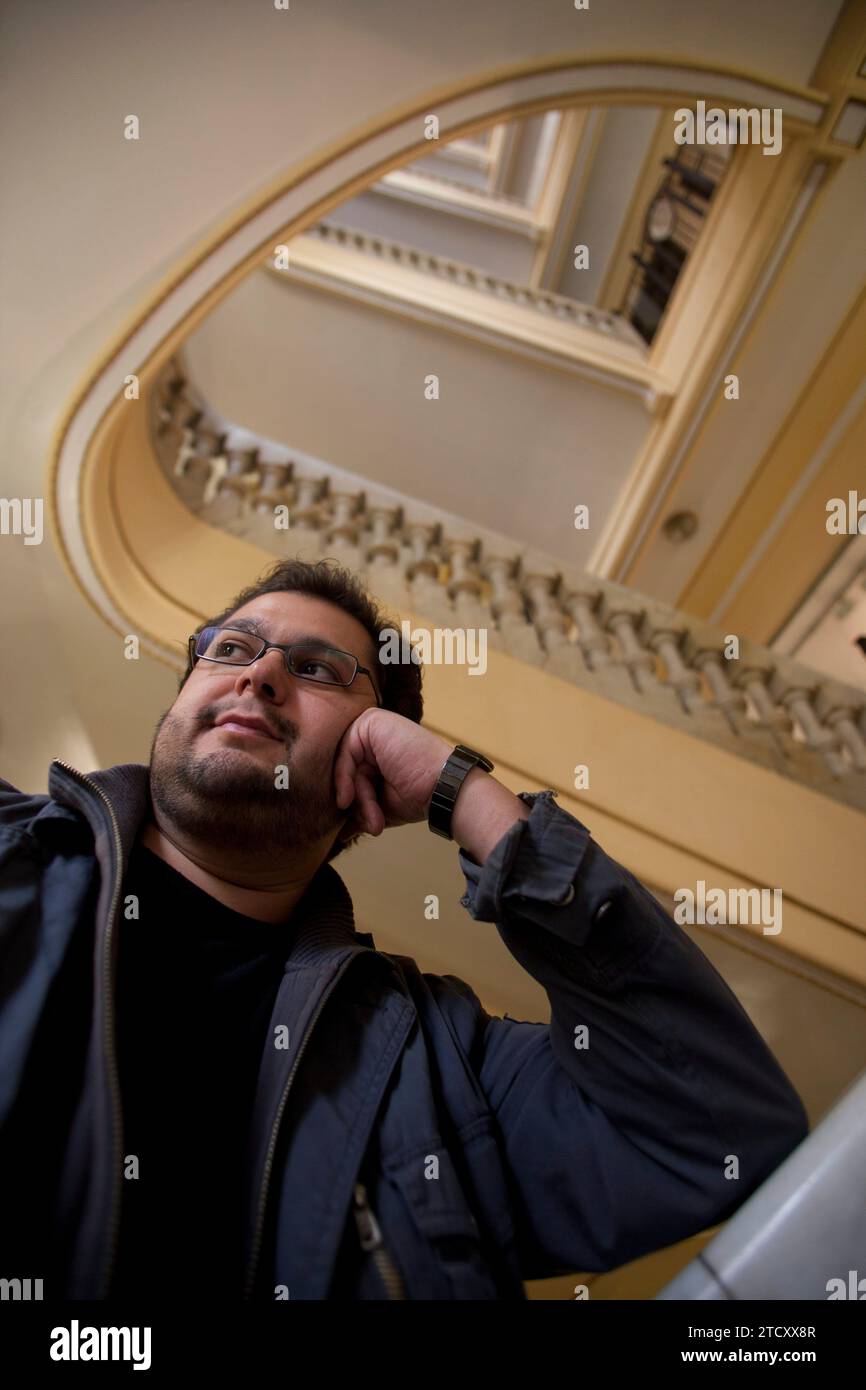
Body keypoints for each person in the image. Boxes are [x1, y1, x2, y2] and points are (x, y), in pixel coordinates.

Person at [0, 557, 809, 1301]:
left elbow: (720, 1136)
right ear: (183, 694)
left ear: (371, 765)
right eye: (233, 647)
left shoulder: (444, 1068)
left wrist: (471, 796)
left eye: (317, 668)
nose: (263, 672)